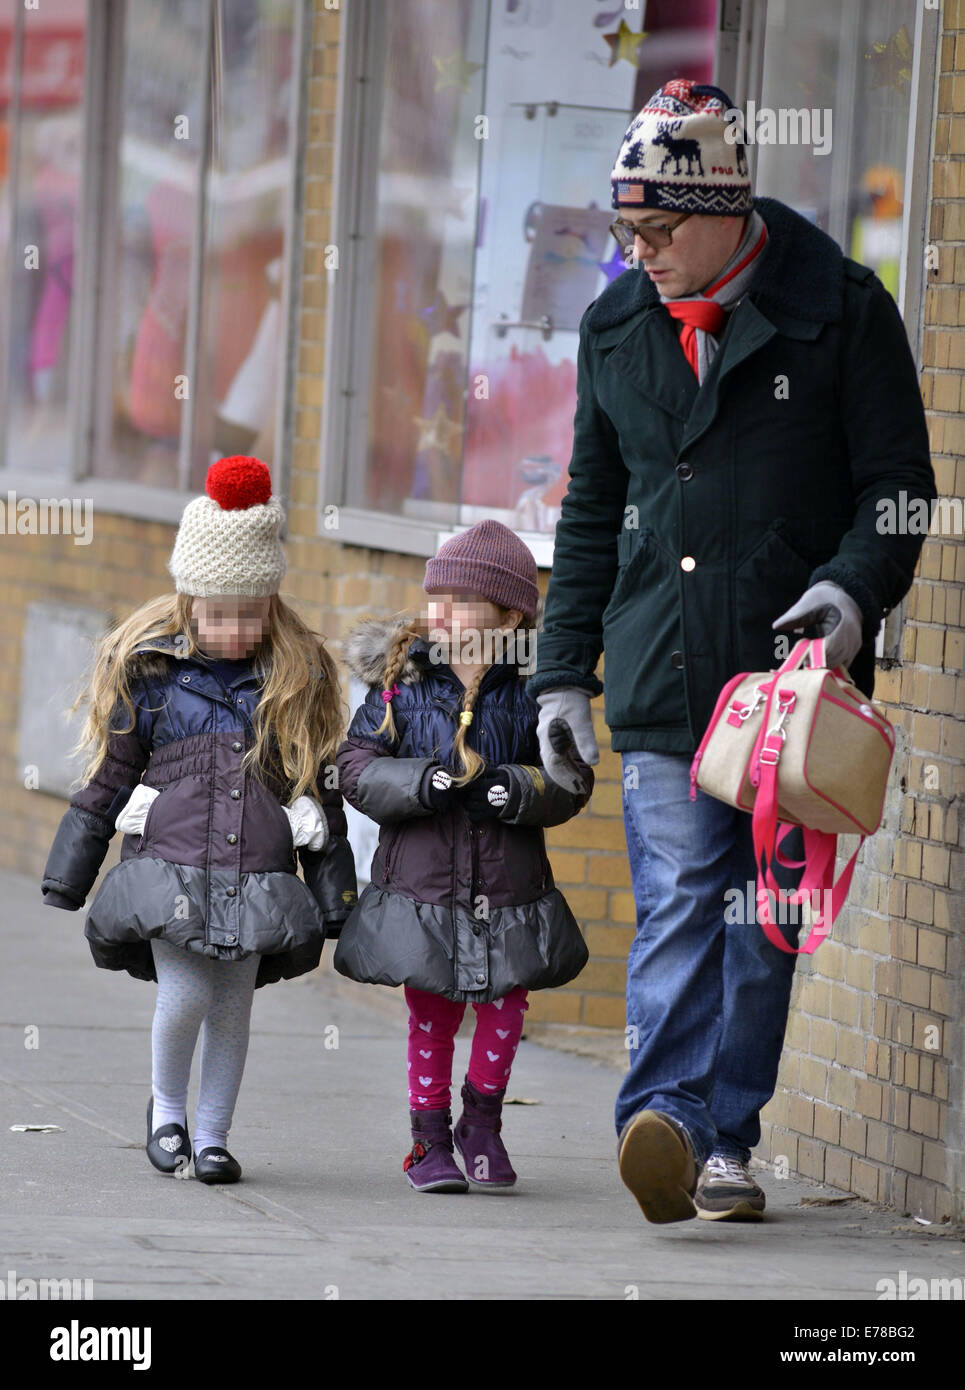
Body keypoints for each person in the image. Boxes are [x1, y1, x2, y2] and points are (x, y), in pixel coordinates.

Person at [527, 80, 936, 1224]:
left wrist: (848, 596)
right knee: (676, 897)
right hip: (660, 669)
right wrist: (562, 667)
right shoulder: (615, 325)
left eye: (656, 231)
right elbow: (590, 507)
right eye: (626, 232)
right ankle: (662, 1120)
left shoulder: (844, 309)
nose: (639, 253)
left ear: (721, 210)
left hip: (788, 689)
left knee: (764, 919)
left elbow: (900, 491)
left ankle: (721, 1136)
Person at [40, 456, 357, 1183]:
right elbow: (110, 778)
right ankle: (167, 1113)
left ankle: (212, 1137)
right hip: (170, 867)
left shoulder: (291, 679)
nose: (234, 627)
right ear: (188, 602)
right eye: (218, 611)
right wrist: (70, 872)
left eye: (251, 611)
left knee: (233, 1009)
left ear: (271, 602)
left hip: (255, 874)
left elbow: (317, 787)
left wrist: (335, 893)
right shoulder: (150, 678)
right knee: (184, 993)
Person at [334, 520, 593, 1192]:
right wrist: (416, 782)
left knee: (505, 1007)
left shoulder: (535, 689)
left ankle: (480, 1123)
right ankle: (427, 1144)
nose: (438, 612)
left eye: (459, 600)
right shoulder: (401, 682)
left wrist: (520, 790)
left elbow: (571, 781)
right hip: (422, 884)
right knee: (432, 1012)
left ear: (509, 616)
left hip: (509, 886)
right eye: (434, 596)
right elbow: (354, 766)